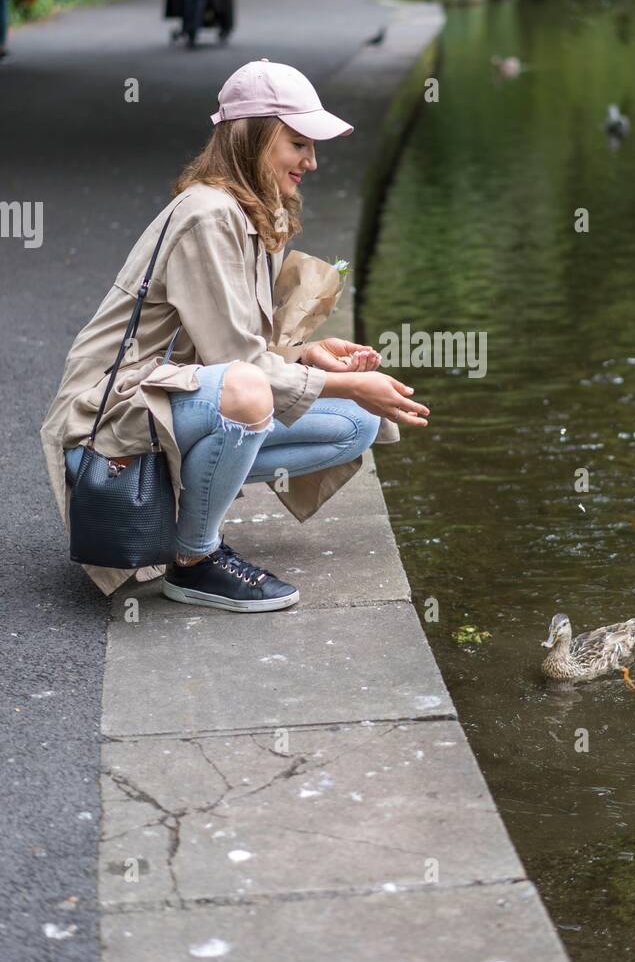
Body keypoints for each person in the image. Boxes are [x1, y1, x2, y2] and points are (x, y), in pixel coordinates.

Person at [40, 60, 430, 611]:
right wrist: (344, 382)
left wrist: (306, 354)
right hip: (107, 418)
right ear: (254, 138)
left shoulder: (250, 211)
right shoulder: (209, 215)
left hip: (167, 398)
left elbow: (231, 350)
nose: (312, 162)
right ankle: (195, 560)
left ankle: (185, 516)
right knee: (262, 395)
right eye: (298, 143)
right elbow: (237, 371)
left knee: (358, 424)